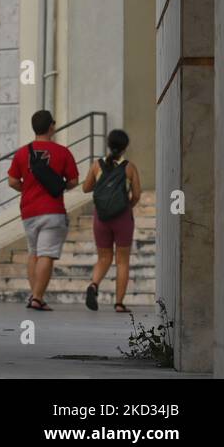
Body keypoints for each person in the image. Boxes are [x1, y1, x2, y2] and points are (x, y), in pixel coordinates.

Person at [6, 109, 79, 311]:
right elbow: (73, 181)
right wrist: (59, 186)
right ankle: (37, 297)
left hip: (29, 211)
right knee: (46, 254)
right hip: (53, 210)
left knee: (34, 254)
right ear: (51, 126)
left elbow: (12, 181)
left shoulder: (22, 153)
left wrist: (27, 189)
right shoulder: (62, 152)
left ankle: (36, 296)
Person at [81, 129, 142, 313]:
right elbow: (137, 195)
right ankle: (119, 303)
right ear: (125, 148)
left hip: (101, 218)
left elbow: (85, 188)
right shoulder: (129, 168)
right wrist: (127, 206)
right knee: (122, 261)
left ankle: (93, 285)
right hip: (122, 218)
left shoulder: (96, 165)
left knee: (103, 257)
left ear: (108, 144)